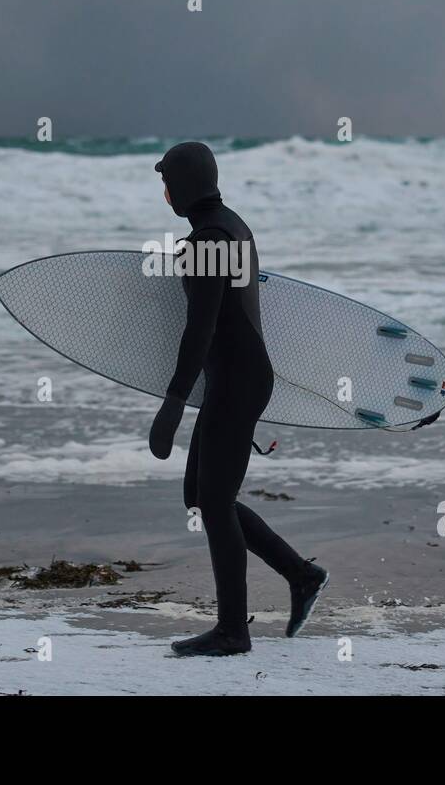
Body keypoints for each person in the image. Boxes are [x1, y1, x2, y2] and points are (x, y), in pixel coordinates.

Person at [149, 141, 329, 656]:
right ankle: (301, 575)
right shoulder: (233, 225)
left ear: (182, 185)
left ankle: (233, 630)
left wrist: (173, 401)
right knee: (202, 496)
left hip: (236, 381)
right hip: (235, 378)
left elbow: (199, 330)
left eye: (167, 182)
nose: (164, 193)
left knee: (214, 502)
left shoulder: (209, 240)